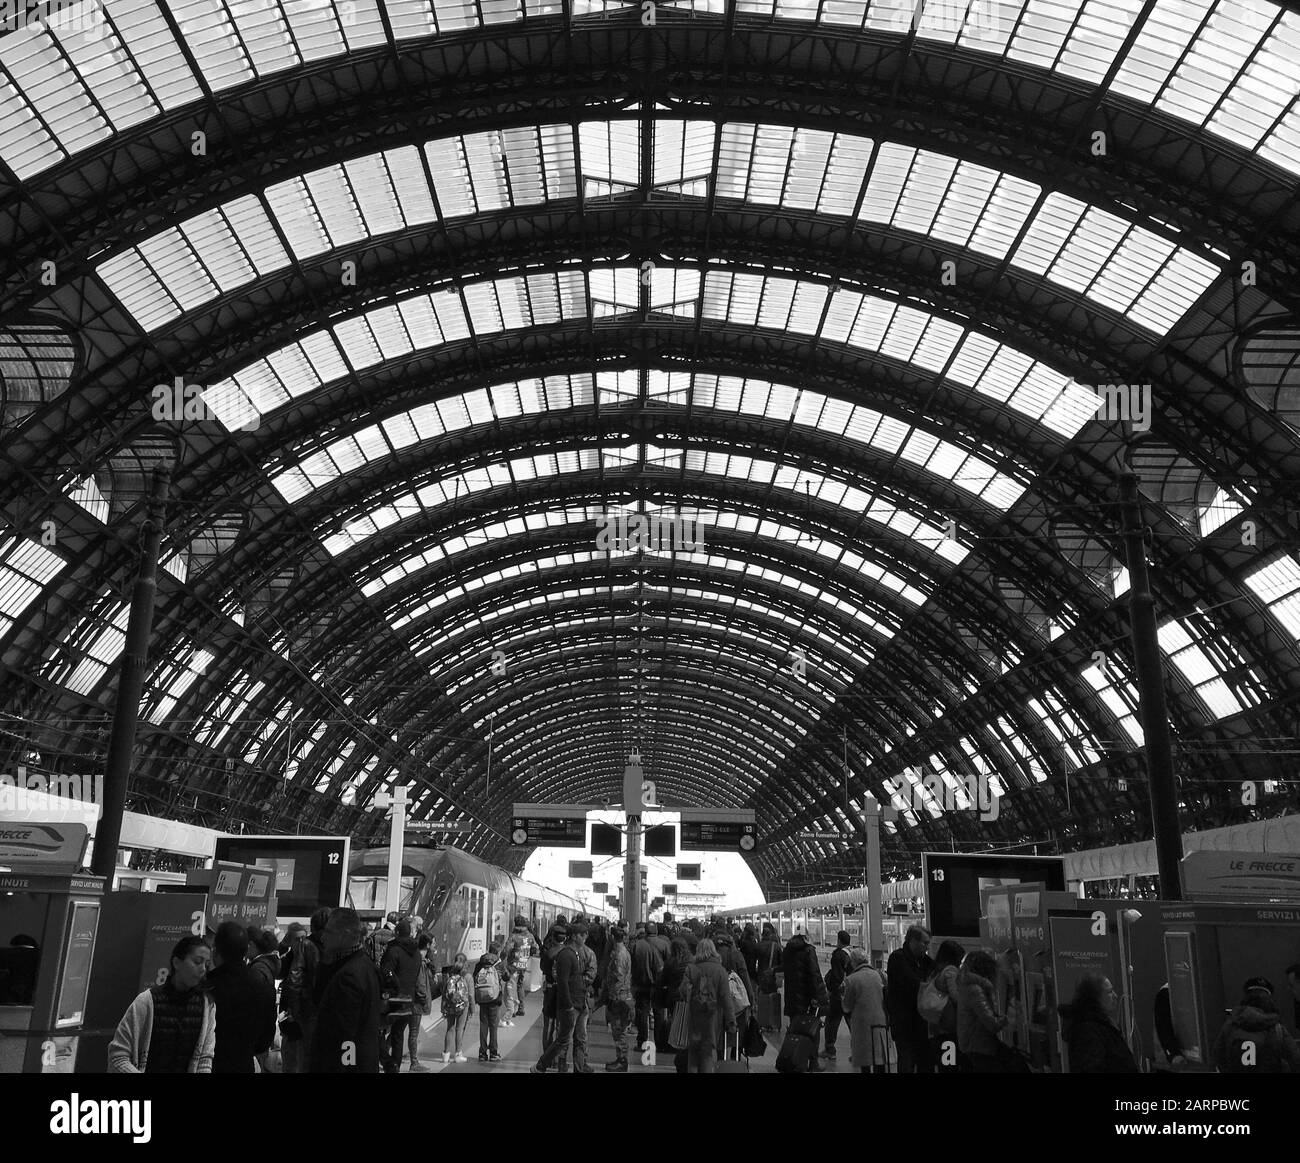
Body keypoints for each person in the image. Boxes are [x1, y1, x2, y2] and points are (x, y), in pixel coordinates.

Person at [109, 935, 216, 1073]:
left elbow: (205, 1060)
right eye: (197, 962)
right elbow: (118, 1057)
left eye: (207, 965)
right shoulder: (146, 1001)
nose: (202, 969)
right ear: (176, 962)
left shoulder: (207, 1007)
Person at [310, 907, 383, 1073]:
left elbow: (345, 1036)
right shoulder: (364, 965)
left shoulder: (348, 977)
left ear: (344, 935)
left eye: (328, 932)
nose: (323, 937)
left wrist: (344, 1067)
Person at [206, 920, 276, 1074]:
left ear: (215, 952)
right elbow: (265, 1041)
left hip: (210, 1065)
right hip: (244, 1064)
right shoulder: (265, 988)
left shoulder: (206, 989)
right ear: (246, 950)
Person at [532, 921, 591, 1073]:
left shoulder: (574, 953)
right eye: (583, 935)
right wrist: (568, 1005)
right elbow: (563, 982)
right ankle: (541, 1065)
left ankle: (578, 1067)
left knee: (579, 1037)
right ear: (576, 936)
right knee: (563, 1039)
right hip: (570, 1005)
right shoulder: (566, 955)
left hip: (579, 1002)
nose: (586, 938)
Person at [1213, 977, 1300, 1073]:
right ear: (1269, 1000)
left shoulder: (1230, 1026)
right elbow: (1295, 1061)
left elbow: (1218, 1057)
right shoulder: (1277, 1029)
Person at [679, 937, 737, 1074]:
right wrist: (731, 1022)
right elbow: (726, 1000)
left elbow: (682, 991)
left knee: (692, 1053)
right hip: (712, 1018)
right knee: (707, 1054)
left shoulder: (691, 968)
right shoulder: (720, 971)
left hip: (693, 1016)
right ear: (713, 951)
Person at [1063, 972, 1139, 1073]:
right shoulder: (1087, 1031)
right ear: (1094, 998)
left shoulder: (1101, 1024)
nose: (1115, 996)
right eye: (1110, 992)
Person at [886, 924, 934, 1073]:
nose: (927, 947)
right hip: (904, 1023)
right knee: (906, 1062)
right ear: (913, 941)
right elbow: (914, 984)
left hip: (923, 1023)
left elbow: (936, 975)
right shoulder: (897, 958)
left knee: (925, 1062)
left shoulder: (925, 961)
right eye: (924, 943)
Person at [782, 921, 830, 1073]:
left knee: (795, 1031)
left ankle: (795, 1061)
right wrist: (821, 999)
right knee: (812, 1031)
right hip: (808, 1001)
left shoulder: (787, 951)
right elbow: (815, 976)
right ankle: (813, 1063)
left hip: (792, 999)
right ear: (805, 936)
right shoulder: (809, 950)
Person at [379, 919, 423, 1073]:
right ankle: (395, 1067)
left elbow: (386, 972)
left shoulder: (394, 950)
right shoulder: (417, 952)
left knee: (377, 1032)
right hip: (408, 999)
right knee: (398, 1035)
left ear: (397, 932)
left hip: (392, 999)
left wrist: (394, 986)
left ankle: (387, 1061)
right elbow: (416, 974)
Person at [955, 949, 1008, 1073]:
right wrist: (1007, 1019)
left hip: (973, 1044)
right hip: (979, 1046)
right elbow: (991, 1024)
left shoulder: (967, 985)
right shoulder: (975, 990)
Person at [840, 948, 887, 1073]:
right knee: (879, 1057)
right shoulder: (878, 975)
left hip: (862, 1023)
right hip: (880, 1020)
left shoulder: (851, 979)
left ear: (853, 962)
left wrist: (841, 998)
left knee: (864, 1059)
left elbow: (847, 1006)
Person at [926, 939, 966, 1072]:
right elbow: (956, 997)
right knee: (950, 1065)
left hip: (936, 1028)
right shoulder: (950, 971)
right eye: (959, 959)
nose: (960, 962)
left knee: (945, 1066)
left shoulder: (935, 971)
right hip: (948, 1030)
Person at [602, 925, 634, 1071]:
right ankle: (620, 1058)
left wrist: (612, 995)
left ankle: (622, 1061)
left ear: (613, 937)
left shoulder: (619, 954)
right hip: (622, 995)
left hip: (619, 997)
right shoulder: (622, 952)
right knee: (618, 1030)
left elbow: (619, 977)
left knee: (619, 1030)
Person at [631, 922, 666, 1051]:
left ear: (645, 931)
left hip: (641, 985)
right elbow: (667, 965)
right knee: (659, 1014)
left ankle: (642, 1042)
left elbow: (632, 965)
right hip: (658, 986)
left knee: (642, 1014)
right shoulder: (663, 944)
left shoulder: (638, 945)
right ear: (656, 931)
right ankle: (660, 1042)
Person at [821, 930, 853, 1061]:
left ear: (839, 940)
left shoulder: (838, 955)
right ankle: (858, 1051)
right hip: (850, 993)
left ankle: (830, 1050)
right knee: (852, 1023)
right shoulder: (853, 954)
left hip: (837, 995)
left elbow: (836, 976)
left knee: (832, 1022)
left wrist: (831, 990)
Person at [440, 952, 473, 1063]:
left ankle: (446, 1054)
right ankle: (458, 1054)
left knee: (450, 1028)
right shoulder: (465, 977)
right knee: (459, 1029)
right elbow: (469, 995)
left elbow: (444, 994)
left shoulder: (449, 977)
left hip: (450, 1006)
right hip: (462, 1007)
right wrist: (471, 1007)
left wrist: (443, 1008)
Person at [473, 949, 504, 1062]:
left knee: (483, 1025)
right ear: (497, 952)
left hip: (482, 998)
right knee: (493, 1026)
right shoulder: (499, 964)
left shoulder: (480, 964)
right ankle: (493, 1053)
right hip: (494, 998)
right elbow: (506, 977)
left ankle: (482, 1053)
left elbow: (474, 977)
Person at [505, 915, 534, 1017]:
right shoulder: (530, 936)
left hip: (513, 966)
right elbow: (535, 948)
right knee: (520, 986)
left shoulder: (514, 936)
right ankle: (521, 1008)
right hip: (524, 964)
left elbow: (507, 949)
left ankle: (512, 1010)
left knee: (510, 987)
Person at [756, 922, 783, 1032]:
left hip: (761, 976)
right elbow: (782, 963)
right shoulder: (776, 946)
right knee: (773, 998)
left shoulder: (758, 946)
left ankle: (763, 1021)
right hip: (772, 977)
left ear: (762, 934)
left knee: (762, 998)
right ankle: (773, 1022)